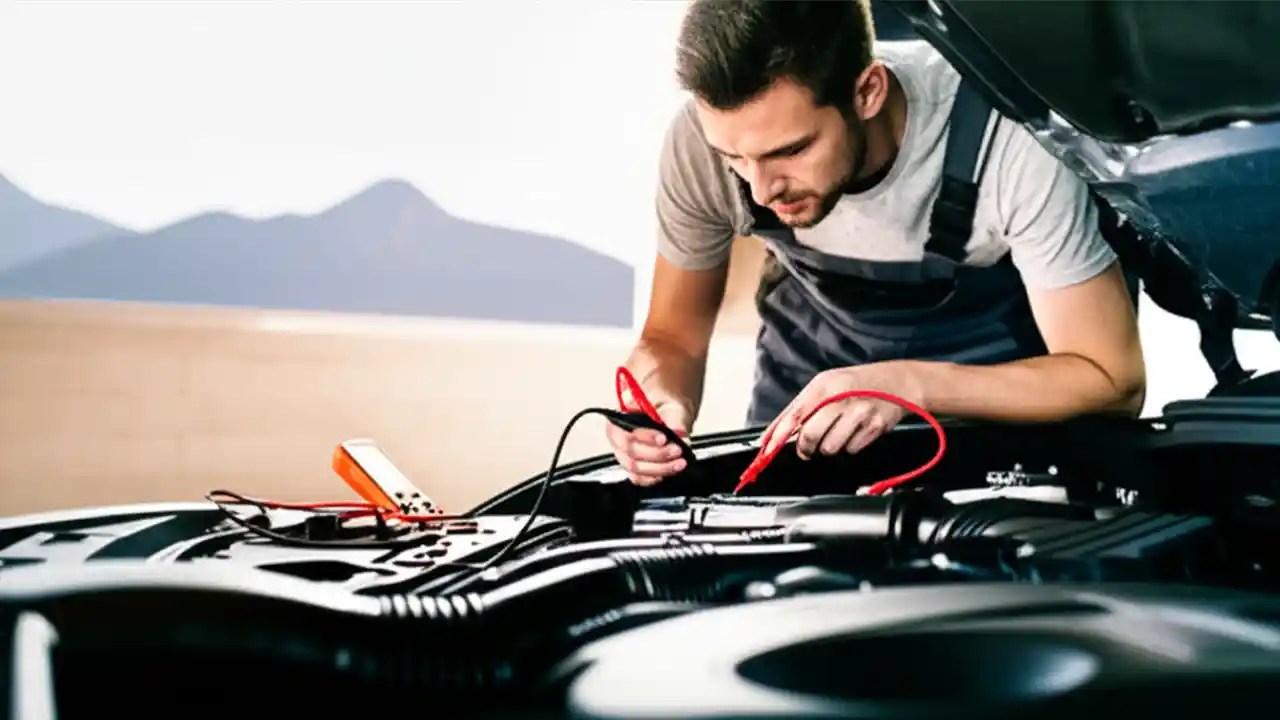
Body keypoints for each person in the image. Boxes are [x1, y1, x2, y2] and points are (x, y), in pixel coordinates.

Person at [607, 0, 1145, 486]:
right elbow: (673, 339)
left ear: (867, 91)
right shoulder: (701, 145)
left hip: (998, 424)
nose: (760, 187)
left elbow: (1111, 380)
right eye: (733, 159)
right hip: (806, 393)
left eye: (790, 150)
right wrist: (660, 406)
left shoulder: (1010, 141)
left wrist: (904, 384)